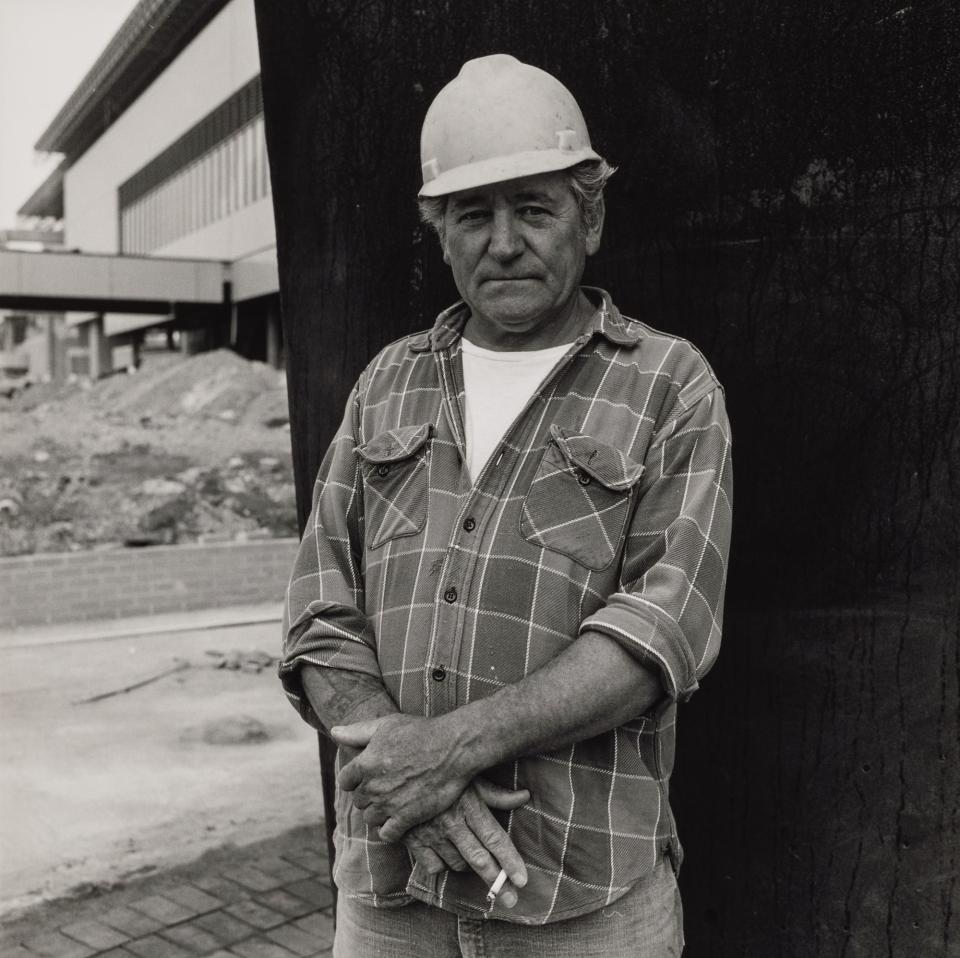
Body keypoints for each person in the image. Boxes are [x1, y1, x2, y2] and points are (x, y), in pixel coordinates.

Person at [280, 53, 732, 956]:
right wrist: (415, 775)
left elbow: (663, 630)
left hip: (585, 906)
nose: (503, 242)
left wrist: (446, 752)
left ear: (590, 217)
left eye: (534, 208)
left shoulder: (669, 385)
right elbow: (318, 618)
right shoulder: (385, 384)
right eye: (471, 215)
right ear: (438, 232)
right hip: (390, 893)